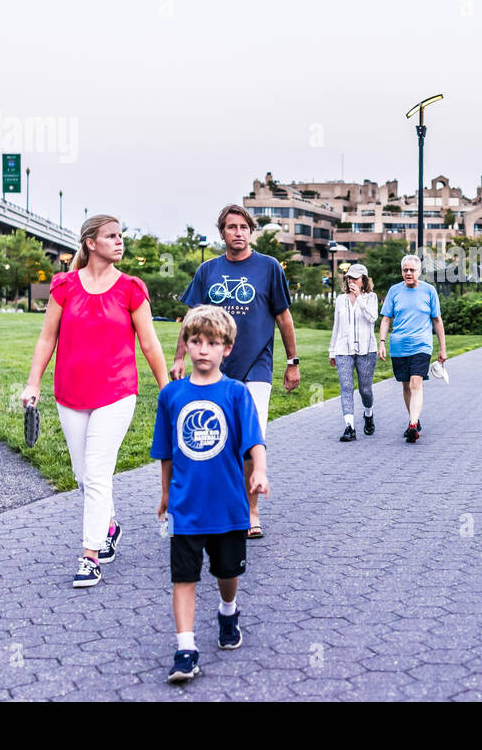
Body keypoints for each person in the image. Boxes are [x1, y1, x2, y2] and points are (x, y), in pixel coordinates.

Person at [21, 214, 170, 589]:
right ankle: (110, 526)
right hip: (70, 393)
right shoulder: (64, 285)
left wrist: (168, 389)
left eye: (121, 236)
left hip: (117, 392)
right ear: (91, 243)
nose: (120, 242)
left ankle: (90, 557)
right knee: (83, 476)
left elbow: (149, 343)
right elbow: (46, 339)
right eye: (111, 236)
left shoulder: (132, 288)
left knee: (98, 471)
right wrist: (33, 383)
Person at [153, 305, 268, 683]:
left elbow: (254, 441)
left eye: (212, 343)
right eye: (196, 341)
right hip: (186, 508)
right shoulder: (171, 395)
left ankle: (228, 608)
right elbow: (167, 452)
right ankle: (185, 649)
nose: (203, 349)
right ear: (185, 344)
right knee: (183, 578)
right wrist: (166, 495)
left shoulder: (236, 393)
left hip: (229, 505)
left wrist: (261, 472)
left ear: (227, 349)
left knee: (226, 572)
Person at [173, 204, 298, 540]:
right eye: (231, 227)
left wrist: (292, 362)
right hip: (213, 368)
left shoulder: (269, 268)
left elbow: (284, 318)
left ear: (251, 231)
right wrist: (180, 358)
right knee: (213, 440)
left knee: (250, 438)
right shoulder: (208, 270)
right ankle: (216, 504)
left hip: (257, 365)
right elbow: (191, 318)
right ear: (222, 233)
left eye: (243, 227)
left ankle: (250, 510)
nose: (238, 232)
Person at [378, 254, 447, 443]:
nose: (408, 273)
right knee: (406, 385)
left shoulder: (429, 291)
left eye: (412, 270)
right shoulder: (394, 291)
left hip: (422, 345)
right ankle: (414, 419)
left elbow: (437, 320)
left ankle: (412, 425)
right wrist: (382, 342)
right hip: (399, 346)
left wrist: (443, 348)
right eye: (405, 270)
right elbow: (385, 319)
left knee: (416, 382)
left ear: (419, 271)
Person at [328, 263, 378, 441]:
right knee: (347, 387)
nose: (351, 281)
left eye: (355, 278)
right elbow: (336, 326)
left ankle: (368, 413)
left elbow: (372, 318)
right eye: (349, 277)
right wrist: (332, 350)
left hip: (367, 350)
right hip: (344, 350)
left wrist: (359, 298)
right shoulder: (340, 300)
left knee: (365, 389)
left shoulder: (371, 298)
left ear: (364, 280)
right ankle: (349, 427)